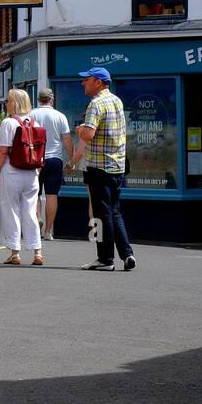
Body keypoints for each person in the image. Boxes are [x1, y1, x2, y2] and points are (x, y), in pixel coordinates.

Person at [68, 67, 135, 271]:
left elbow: (87, 135)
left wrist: (79, 128)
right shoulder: (116, 101)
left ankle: (105, 259)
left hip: (99, 167)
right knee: (115, 212)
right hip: (117, 166)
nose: (82, 83)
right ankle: (127, 254)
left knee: (100, 215)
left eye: (86, 80)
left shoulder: (95, 104)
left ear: (98, 82)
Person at [0, 89, 44, 266]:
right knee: (30, 211)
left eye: (8, 100)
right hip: (31, 173)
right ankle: (37, 252)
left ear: (14, 103)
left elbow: (2, 150)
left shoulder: (8, 123)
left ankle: (15, 253)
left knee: (11, 210)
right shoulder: (35, 123)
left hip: (11, 172)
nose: (6, 103)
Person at [29, 88, 74, 240]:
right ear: (52, 100)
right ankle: (48, 231)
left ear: (38, 100)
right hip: (55, 160)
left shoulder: (31, 115)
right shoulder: (60, 116)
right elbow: (67, 140)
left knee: (35, 194)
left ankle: (37, 222)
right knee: (52, 195)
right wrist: (72, 160)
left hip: (36, 159)